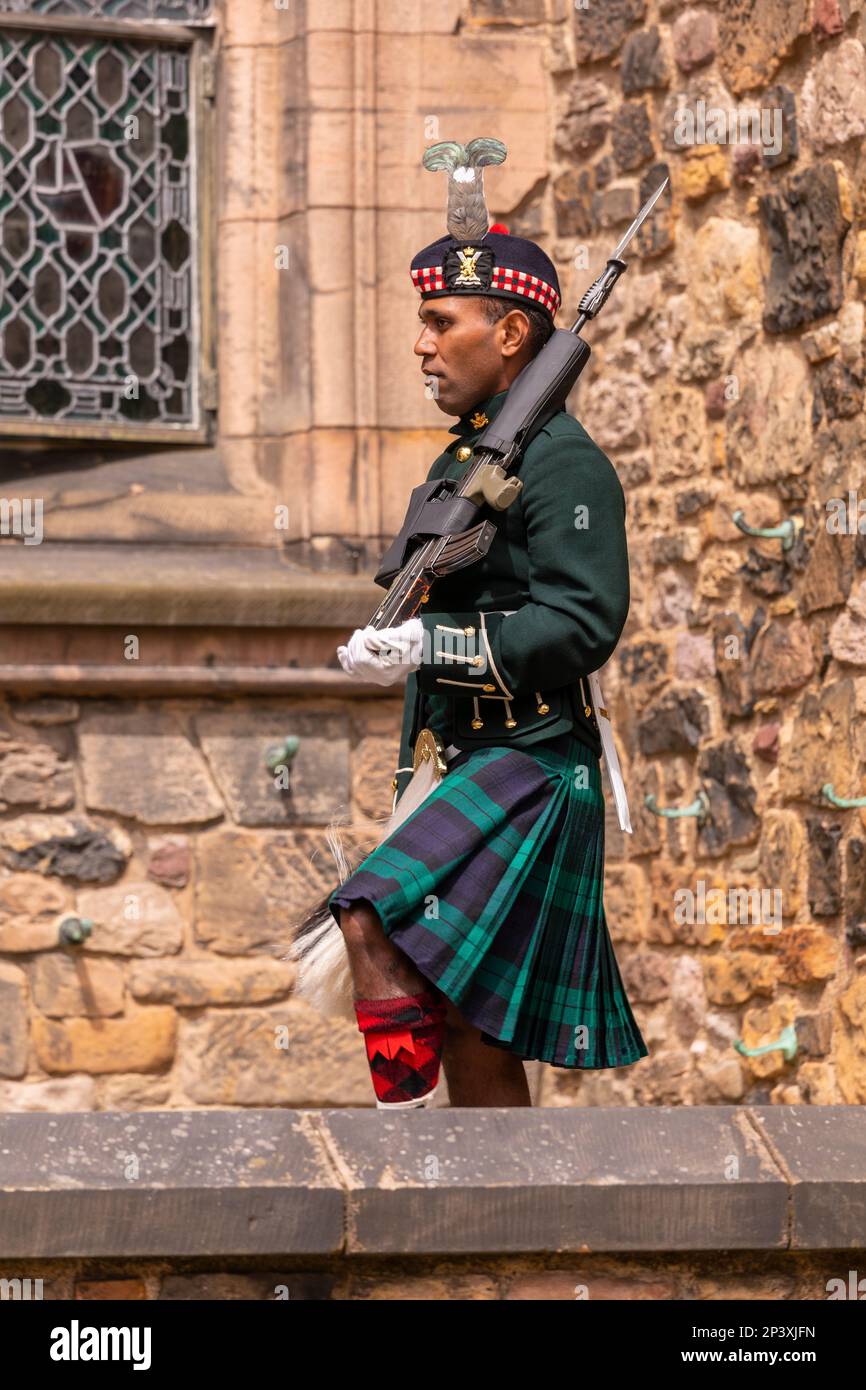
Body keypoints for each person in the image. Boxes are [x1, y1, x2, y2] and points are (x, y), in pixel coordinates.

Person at [331, 146, 648, 1110]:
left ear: (511, 332)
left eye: (440, 323)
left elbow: (582, 622)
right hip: (464, 761)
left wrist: (437, 646)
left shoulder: (566, 466)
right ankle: (486, 1212)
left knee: (370, 920)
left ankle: (406, 1125)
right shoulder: (461, 463)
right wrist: (393, 637)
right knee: (469, 1014)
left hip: (537, 760)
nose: (422, 345)